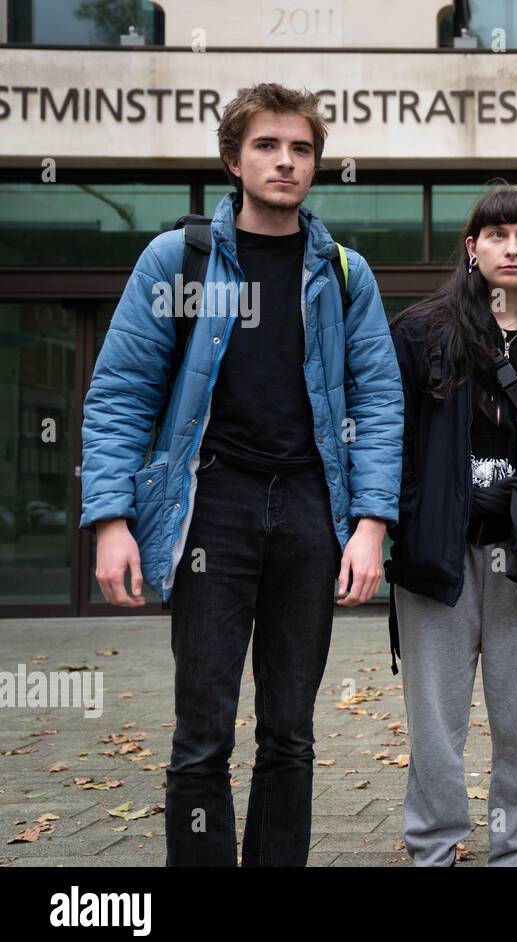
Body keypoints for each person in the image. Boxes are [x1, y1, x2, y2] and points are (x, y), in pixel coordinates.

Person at [80, 83, 403, 866]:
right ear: (234, 158)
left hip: (306, 508)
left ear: (316, 164)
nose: (285, 161)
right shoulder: (178, 258)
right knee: (202, 734)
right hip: (210, 506)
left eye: (300, 148)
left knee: (290, 732)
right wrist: (111, 519)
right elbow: (122, 393)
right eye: (267, 145)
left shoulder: (341, 270)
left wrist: (370, 524)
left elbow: (380, 399)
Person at [385, 183, 517, 867]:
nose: (512, 247)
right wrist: (408, 527)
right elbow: (392, 444)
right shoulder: (421, 334)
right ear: (472, 248)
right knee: (436, 726)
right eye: (497, 235)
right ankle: (434, 848)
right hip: (437, 561)